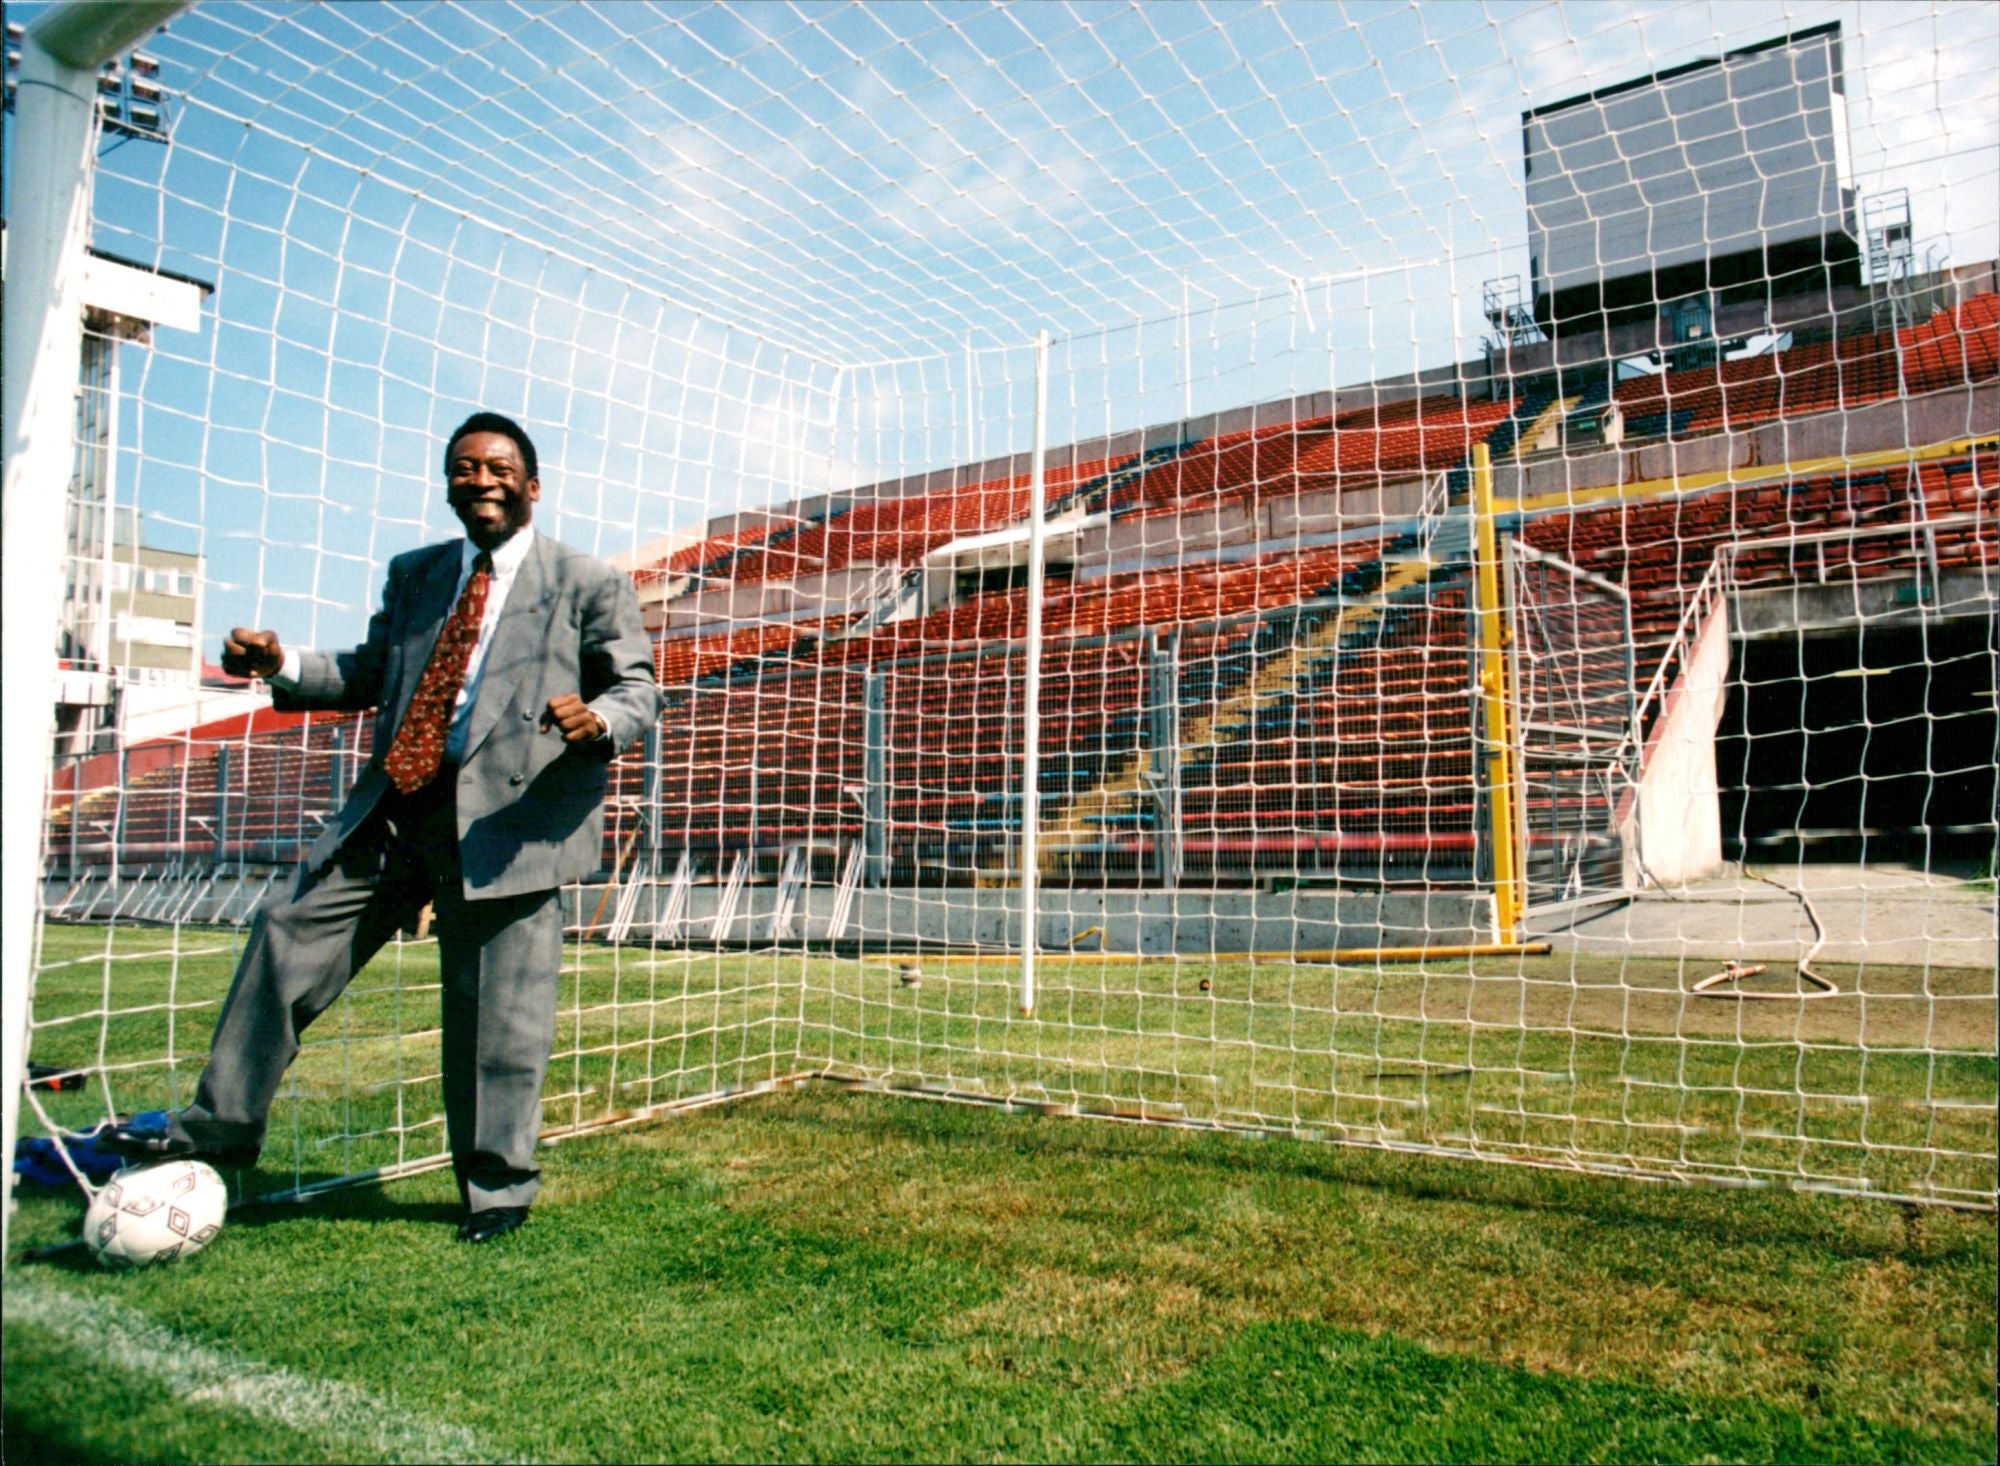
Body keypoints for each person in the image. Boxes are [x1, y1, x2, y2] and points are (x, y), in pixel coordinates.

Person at [107, 411, 661, 1243]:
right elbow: (369, 673)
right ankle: (218, 1133)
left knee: (496, 1019)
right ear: (449, 485)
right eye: (465, 469)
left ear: (532, 486)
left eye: (499, 469)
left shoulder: (585, 582)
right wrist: (280, 664)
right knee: (286, 939)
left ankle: (496, 1189)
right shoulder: (416, 576)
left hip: (510, 824)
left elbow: (638, 687)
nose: (482, 481)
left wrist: (601, 723)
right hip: (397, 807)